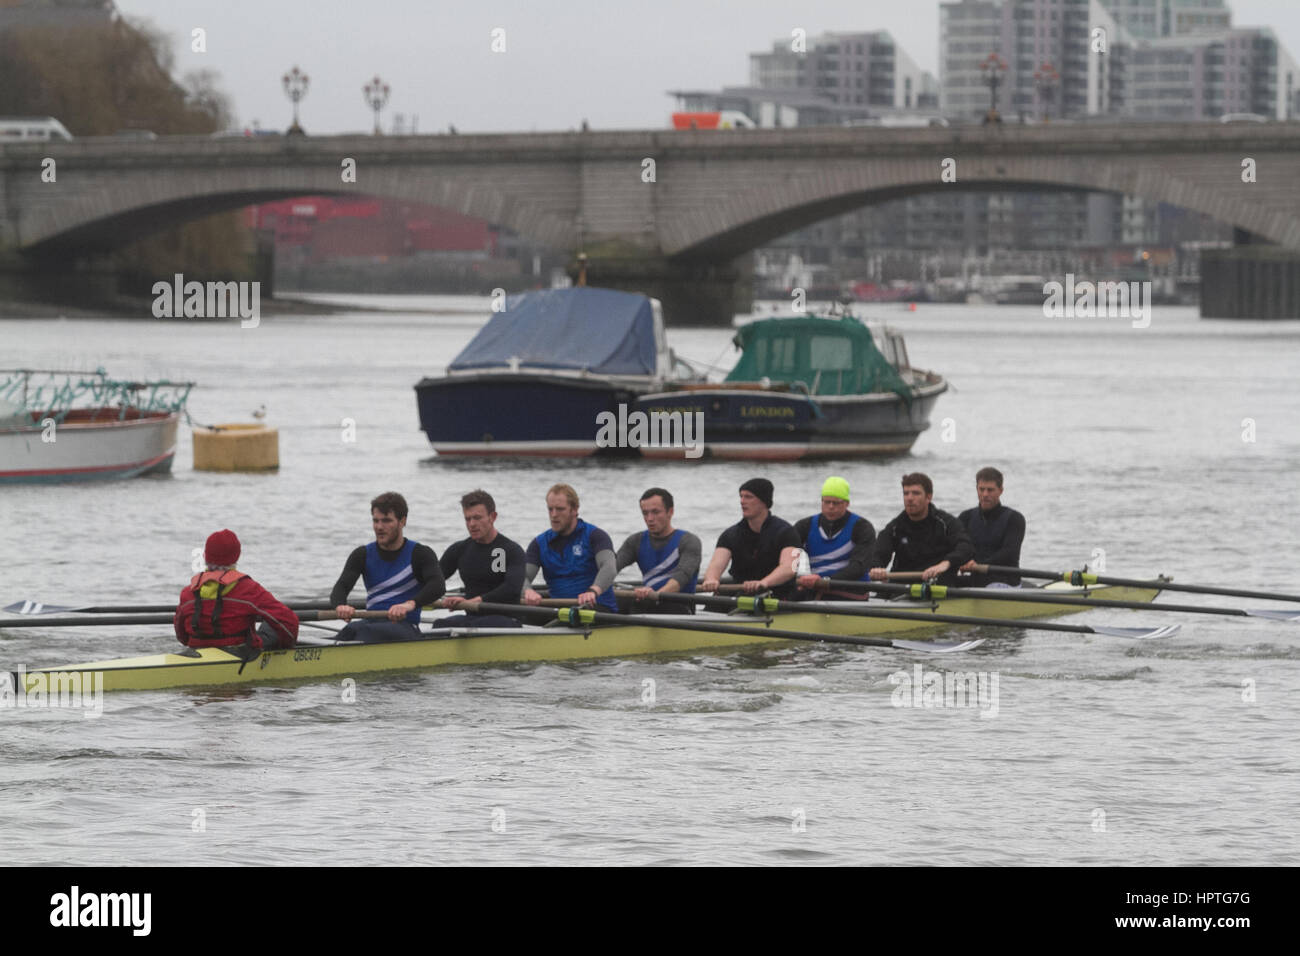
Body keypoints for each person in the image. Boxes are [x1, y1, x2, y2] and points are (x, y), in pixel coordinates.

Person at [330, 491, 446, 642]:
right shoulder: (362, 554)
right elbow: (341, 587)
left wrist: (409, 605)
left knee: (363, 631)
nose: (379, 527)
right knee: (350, 630)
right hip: (371, 623)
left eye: (386, 521)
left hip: (405, 626)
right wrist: (340, 606)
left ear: (402, 521)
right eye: (375, 521)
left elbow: (438, 586)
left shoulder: (420, 553)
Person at [174, 529, 299, 655]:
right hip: (240, 655)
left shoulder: (188, 593)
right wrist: (287, 648)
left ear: (205, 556)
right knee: (271, 624)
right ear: (236, 556)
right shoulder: (248, 589)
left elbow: (182, 636)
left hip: (197, 652)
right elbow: (289, 622)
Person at [700, 477, 803, 598]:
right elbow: (715, 565)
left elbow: (789, 568)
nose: (742, 501)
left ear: (764, 502)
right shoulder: (730, 534)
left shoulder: (786, 532)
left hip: (778, 596)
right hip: (740, 594)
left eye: (748, 497)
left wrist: (764, 583)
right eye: (741, 496)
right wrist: (711, 580)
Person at [522, 484, 618, 611]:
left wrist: (593, 591)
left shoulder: (595, 536)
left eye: (560, 509)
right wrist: (528, 591)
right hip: (558, 611)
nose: (554, 515)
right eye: (550, 509)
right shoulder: (539, 544)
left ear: (574, 510)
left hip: (595, 608)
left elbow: (609, 568)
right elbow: (521, 576)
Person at [438, 489, 527, 626]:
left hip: (506, 620)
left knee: (472, 626)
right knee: (440, 624)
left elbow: (511, 588)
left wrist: (474, 601)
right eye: (468, 519)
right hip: (473, 619)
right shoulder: (459, 550)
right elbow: (433, 580)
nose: (472, 524)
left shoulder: (510, 550)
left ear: (493, 517)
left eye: (477, 518)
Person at [868, 473, 973, 584]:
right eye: (906, 493)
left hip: (937, 585)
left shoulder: (945, 523)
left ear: (928, 497)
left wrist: (945, 563)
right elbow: (879, 554)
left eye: (916, 493)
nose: (909, 498)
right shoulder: (895, 527)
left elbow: (966, 546)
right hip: (901, 588)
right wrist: (876, 568)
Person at [614, 487, 702, 613]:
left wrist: (655, 595)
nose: (649, 518)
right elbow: (612, 567)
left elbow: (682, 576)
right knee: (612, 602)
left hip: (679, 608)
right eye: (645, 513)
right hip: (648, 602)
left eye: (655, 512)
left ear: (670, 512)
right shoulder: (635, 541)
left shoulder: (689, 541)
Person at [793, 476, 876, 596]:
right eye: (827, 502)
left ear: (847, 503)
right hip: (814, 588)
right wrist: (800, 577)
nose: (831, 507)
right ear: (821, 501)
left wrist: (826, 580)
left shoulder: (862, 527)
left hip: (849, 591)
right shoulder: (804, 526)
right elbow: (788, 559)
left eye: (836, 503)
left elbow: (859, 566)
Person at [958, 467, 1026, 586]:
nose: (985, 494)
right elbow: (956, 547)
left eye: (990, 490)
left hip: (1005, 580)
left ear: (1000, 490)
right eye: (981, 489)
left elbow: (1009, 553)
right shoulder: (965, 517)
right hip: (976, 578)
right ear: (976, 489)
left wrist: (976, 564)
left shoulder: (1015, 519)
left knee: (991, 584)